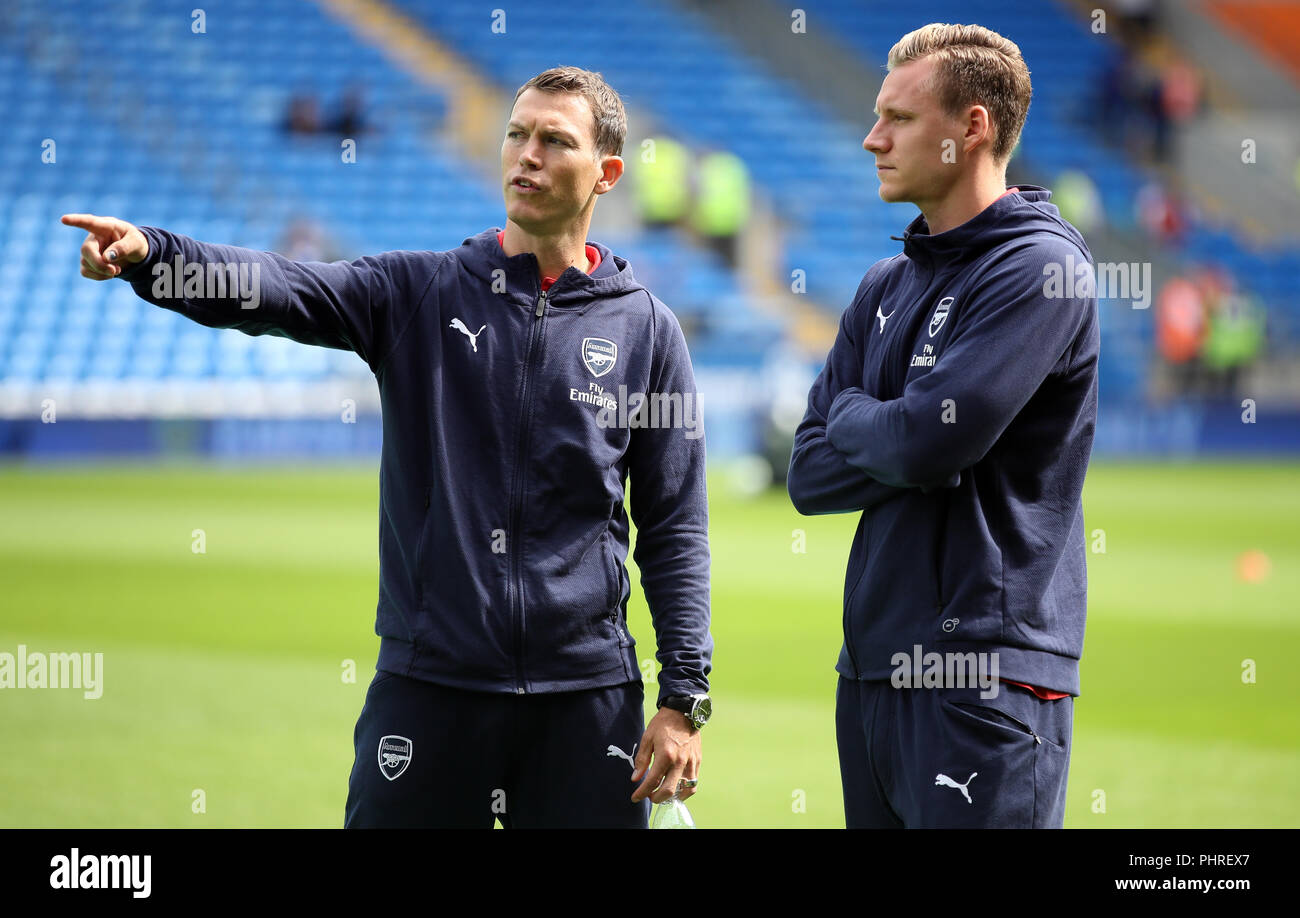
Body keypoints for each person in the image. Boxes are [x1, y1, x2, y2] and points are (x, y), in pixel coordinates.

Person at [62, 66, 712, 829]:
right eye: (515, 133)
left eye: (552, 140)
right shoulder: (420, 293)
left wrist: (682, 699)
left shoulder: (647, 331)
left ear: (606, 174)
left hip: (586, 699)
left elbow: (674, 527)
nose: (525, 155)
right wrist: (154, 256)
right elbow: (281, 288)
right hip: (431, 685)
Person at [787, 23, 1099, 828]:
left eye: (898, 117)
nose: (871, 138)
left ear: (972, 129)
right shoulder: (885, 281)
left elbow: (931, 441)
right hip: (870, 677)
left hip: (982, 679)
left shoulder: (1042, 268)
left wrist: (863, 418)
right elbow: (809, 474)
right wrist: (895, 431)